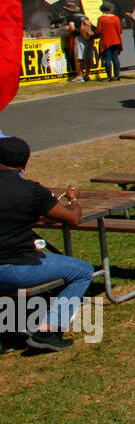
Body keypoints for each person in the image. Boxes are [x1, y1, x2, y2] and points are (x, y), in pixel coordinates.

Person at [0, 137, 96, 352]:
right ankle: (47, 329)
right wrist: (73, 200)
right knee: (83, 270)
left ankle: (10, 329)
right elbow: (72, 219)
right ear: (25, 163)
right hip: (15, 266)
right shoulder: (31, 191)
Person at [95, 2, 124, 81]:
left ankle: (109, 76)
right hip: (116, 40)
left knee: (107, 59)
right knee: (115, 58)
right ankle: (117, 75)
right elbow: (120, 30)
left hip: (106, 41)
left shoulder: (101, 18)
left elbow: (98, 30)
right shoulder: (116, 18)